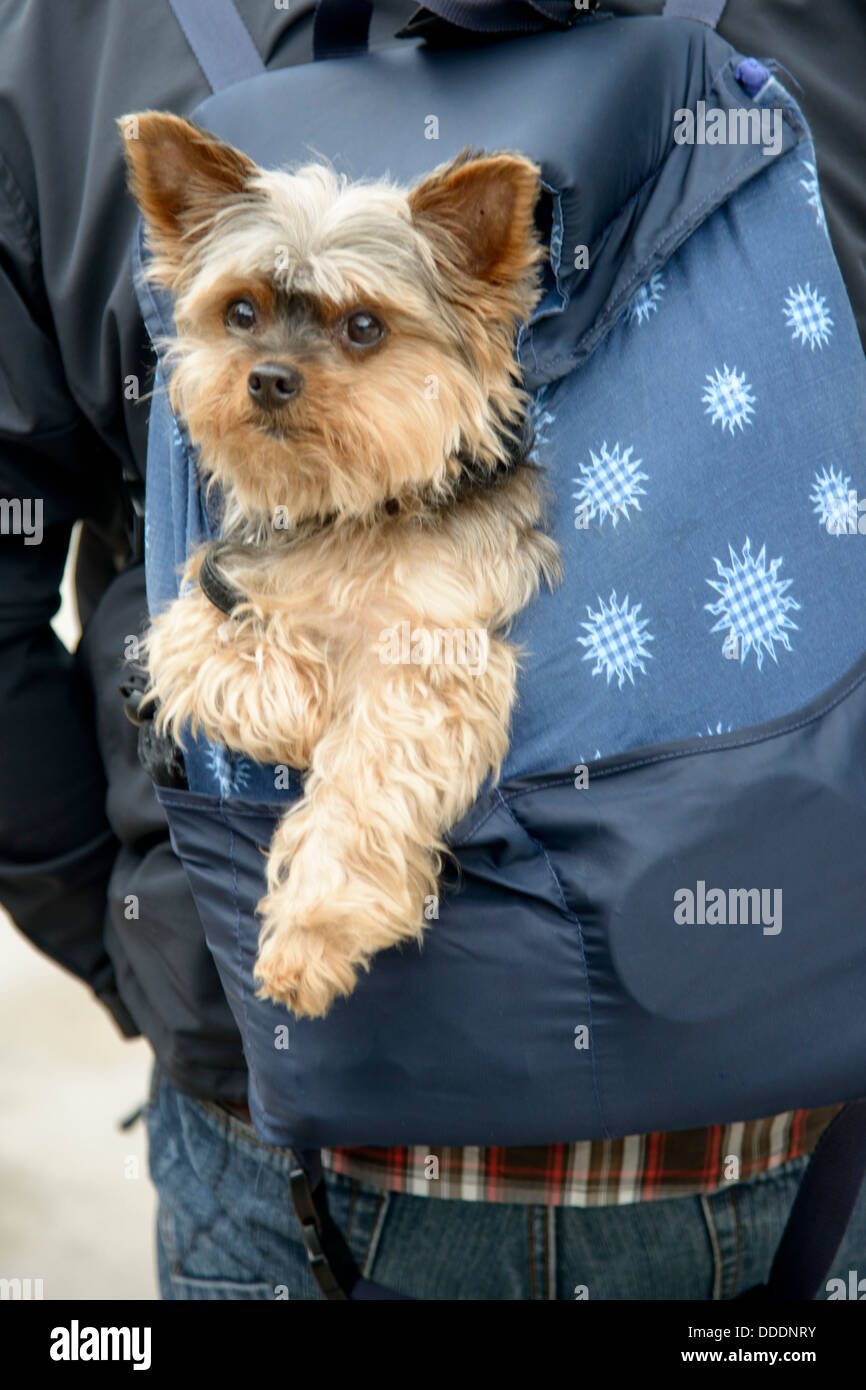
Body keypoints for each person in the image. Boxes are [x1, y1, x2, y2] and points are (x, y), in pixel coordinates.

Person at [1, 0, 864, 1300]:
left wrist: (156, 960)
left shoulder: (82, 28)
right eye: (248, 321)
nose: (284, 368)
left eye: (353, 331)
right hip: (789, 1107)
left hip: (288, 1127)